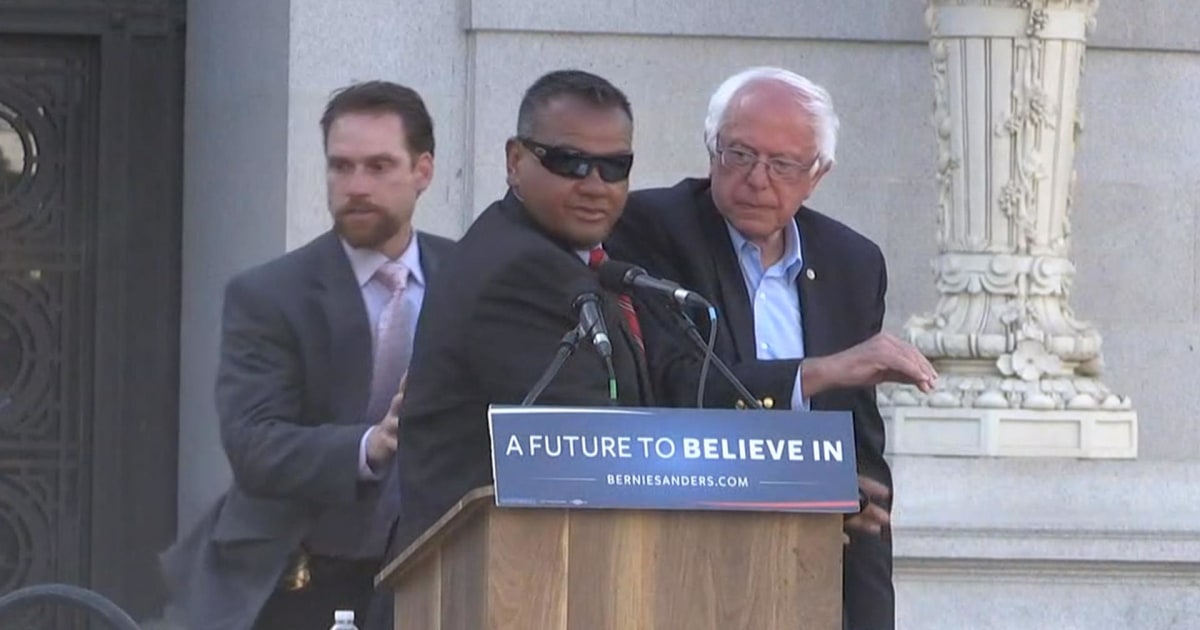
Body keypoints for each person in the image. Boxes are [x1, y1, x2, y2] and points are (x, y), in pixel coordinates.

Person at [607, 66, 937, 630]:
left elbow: (860, 460)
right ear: (711, 152)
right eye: (739, 155)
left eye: (783, 165)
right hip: (687, 552)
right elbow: (675, 383)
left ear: (818, 175)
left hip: (806, 557)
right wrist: (818, 373)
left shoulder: (852, 263)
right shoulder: (650, 228)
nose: (758, 179)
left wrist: (868, 608)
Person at [159, 80, 455, 630]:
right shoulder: (270, 294)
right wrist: (371, 444)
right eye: (341, 167)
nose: (356, 186)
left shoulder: (465, 280)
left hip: (429, 572)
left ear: (423, 171)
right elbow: (254, 445)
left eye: (379, 166)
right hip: (294, 576)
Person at [373, 68, 652, 575]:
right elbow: (593, 449)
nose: (595, 185)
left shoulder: (556, 255)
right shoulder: (524, 271)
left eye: (615, 166)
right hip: (490, 581)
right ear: (515, 161)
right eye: (570, 162)